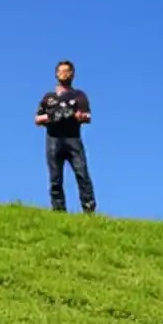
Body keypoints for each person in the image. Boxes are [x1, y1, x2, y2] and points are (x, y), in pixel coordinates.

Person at [35, 60, 96, 213]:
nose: (64, 74)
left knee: (82, 174)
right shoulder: (48, 97)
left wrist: (75, 115)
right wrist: (52, 116)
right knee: (55, 179)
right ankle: (58, 211)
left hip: (73, 139)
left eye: (67, 71)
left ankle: (89, 209)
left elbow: (87, 116)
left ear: (72, 74)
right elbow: (37, 119)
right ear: (56, 74)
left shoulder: (79, 95)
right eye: (61, 71)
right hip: (53, 139)